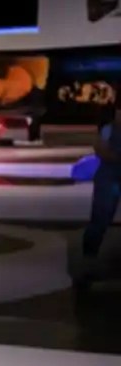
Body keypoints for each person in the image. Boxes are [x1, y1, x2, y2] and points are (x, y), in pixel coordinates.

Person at [77, 105, 121, 285]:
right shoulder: (109, 129)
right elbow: (100, 149)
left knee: (100, 217)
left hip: (110, 175)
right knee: (100, 217)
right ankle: (88, 262)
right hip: (109, 176)